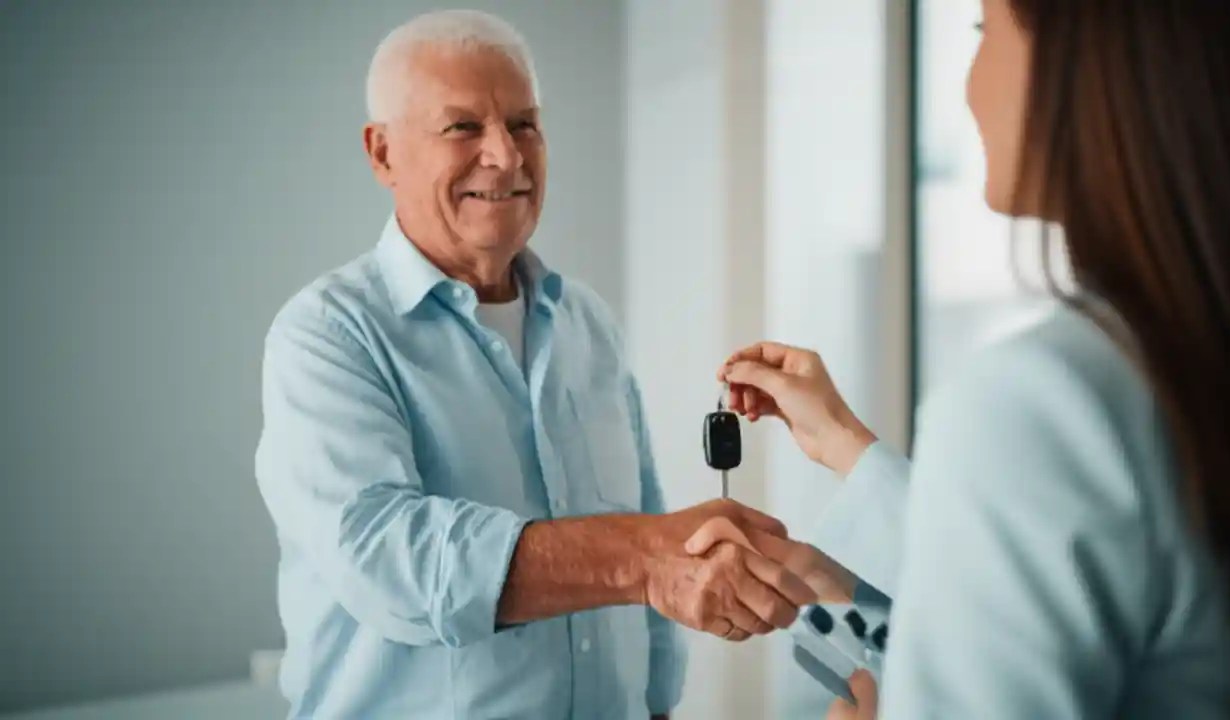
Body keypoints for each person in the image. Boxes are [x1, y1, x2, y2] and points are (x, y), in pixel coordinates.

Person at [710, 0, 1230, 717]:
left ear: (1081, 65)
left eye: (984, 33)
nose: (969, 85)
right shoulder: (1216, 352)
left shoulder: (1042, 400)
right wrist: (849, 450)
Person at [254, 10, 815, 719]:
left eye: (524, 124)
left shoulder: (588, 326)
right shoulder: (327, 336)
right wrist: (642, 557)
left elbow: (644, 542)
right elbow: (389, 560)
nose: (507, 156)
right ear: (383, 153)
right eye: (463, 127)